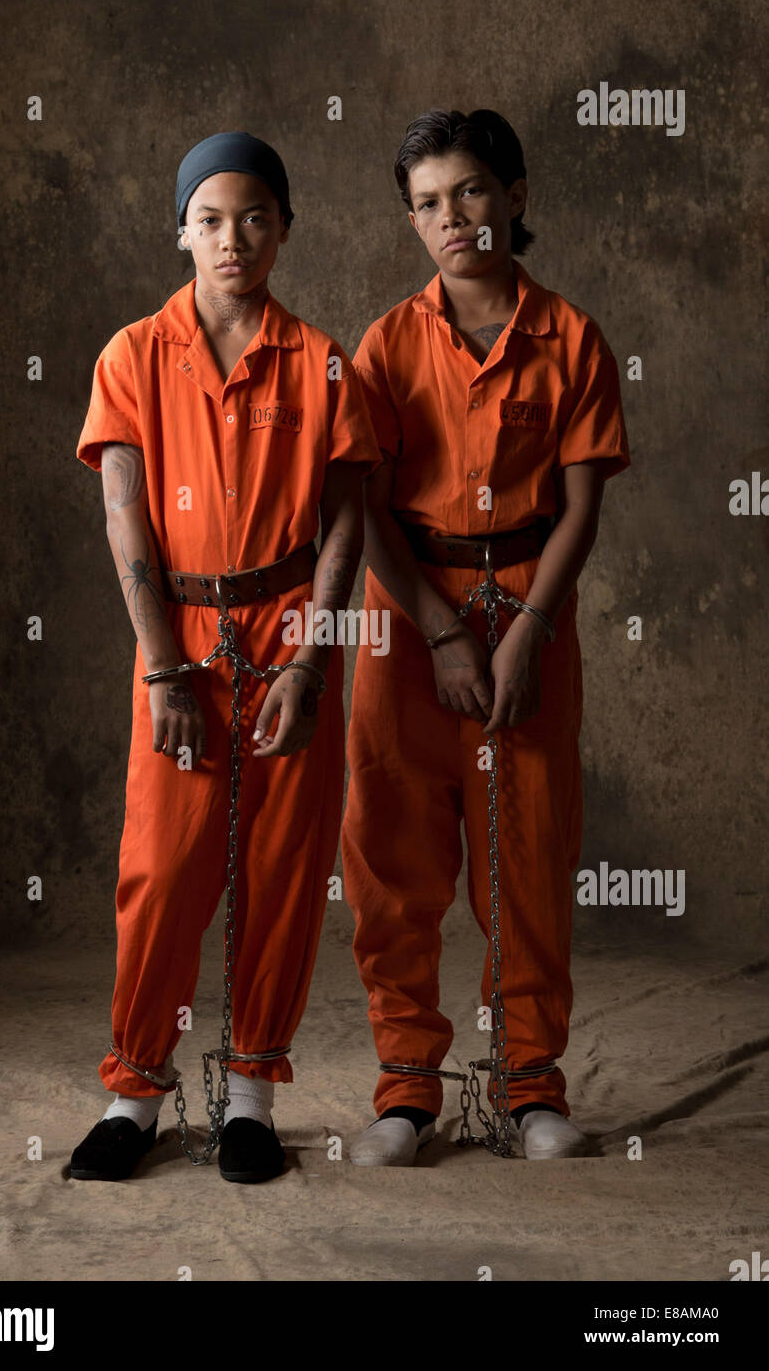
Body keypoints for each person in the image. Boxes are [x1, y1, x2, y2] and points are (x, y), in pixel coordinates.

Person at [69, 132, 380, 1183]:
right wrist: (163, 667)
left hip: (289, 630)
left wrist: (308, 663)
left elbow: (344, 525)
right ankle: (133, 1093)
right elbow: (126, 522)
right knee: (163, 871)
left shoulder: (323, 361)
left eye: (254, 215)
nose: (232, 237)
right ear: (180, 232)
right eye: (209, 218)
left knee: (283, 869)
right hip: (183, 639)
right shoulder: (131, 355)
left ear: (284, 227)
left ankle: (249, 1094)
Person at [341, 108, 631, 1165]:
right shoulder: (384, 343)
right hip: (406, 612)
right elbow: (366, 507)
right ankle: (405, 1089)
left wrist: (526, 631)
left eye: (468, 191)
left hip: (524, 602)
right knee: (390, 851)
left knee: (527, 849)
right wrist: (435, 630)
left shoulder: (571, 337)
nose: (450, 217)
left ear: (512, 194)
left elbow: (582, 501)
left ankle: (526, 1085)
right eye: (425, 202)